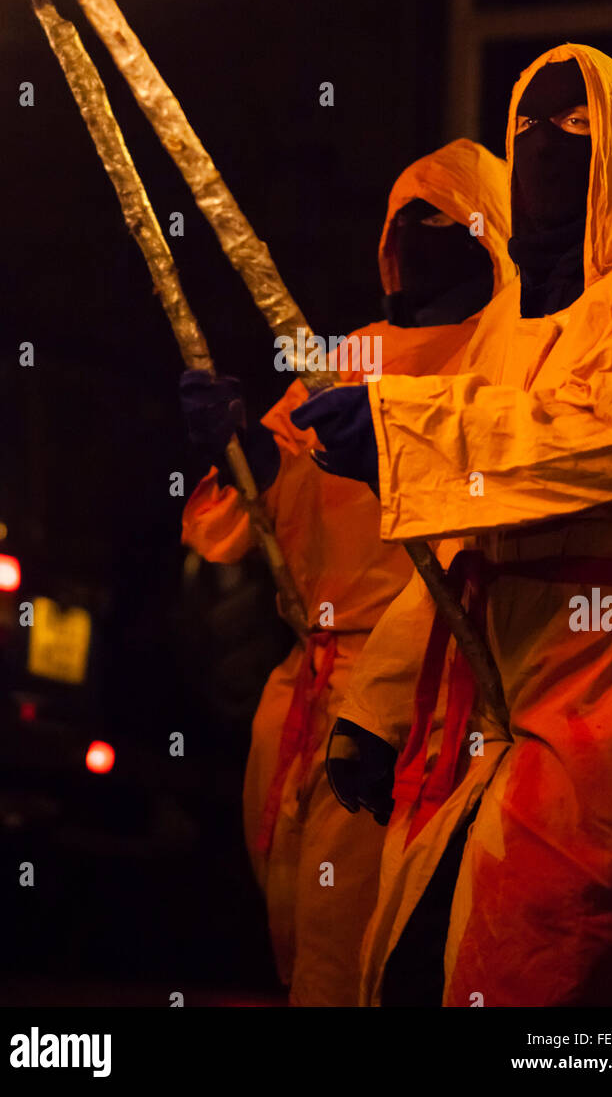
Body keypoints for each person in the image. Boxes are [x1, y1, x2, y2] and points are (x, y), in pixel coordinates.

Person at [293, 44, 612, 1007]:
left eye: (577, 125)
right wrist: (379, 710)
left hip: (605, 671)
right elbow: (461, 543)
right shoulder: (512, 318)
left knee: (563, 955)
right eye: (527, 126)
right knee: (421, 953)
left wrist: (404, 431)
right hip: (480, 684)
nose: (546, 145)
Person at [180, 139, 514, 1006]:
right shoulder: (348, 357)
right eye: (409, 222)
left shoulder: (508, 360)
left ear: (490, 236)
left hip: (421, 702)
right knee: (297, 931)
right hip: (307, 689)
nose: (424, 240)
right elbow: (250, 514)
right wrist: (248, 450)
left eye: (447, 222)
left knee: (359, 950)